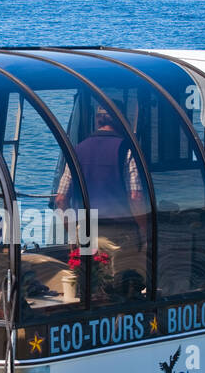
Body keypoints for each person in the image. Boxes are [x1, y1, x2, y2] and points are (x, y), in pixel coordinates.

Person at [54, 105, 148, 294]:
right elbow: (136, 196)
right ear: (120, 121)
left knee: (91, 289)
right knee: (124, 289)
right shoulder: (126, 149)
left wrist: (72, 232)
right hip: (120, 234)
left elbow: (61, 199)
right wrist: (145, 231)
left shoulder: (78, 150)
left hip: (86, 232)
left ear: (98, 121)